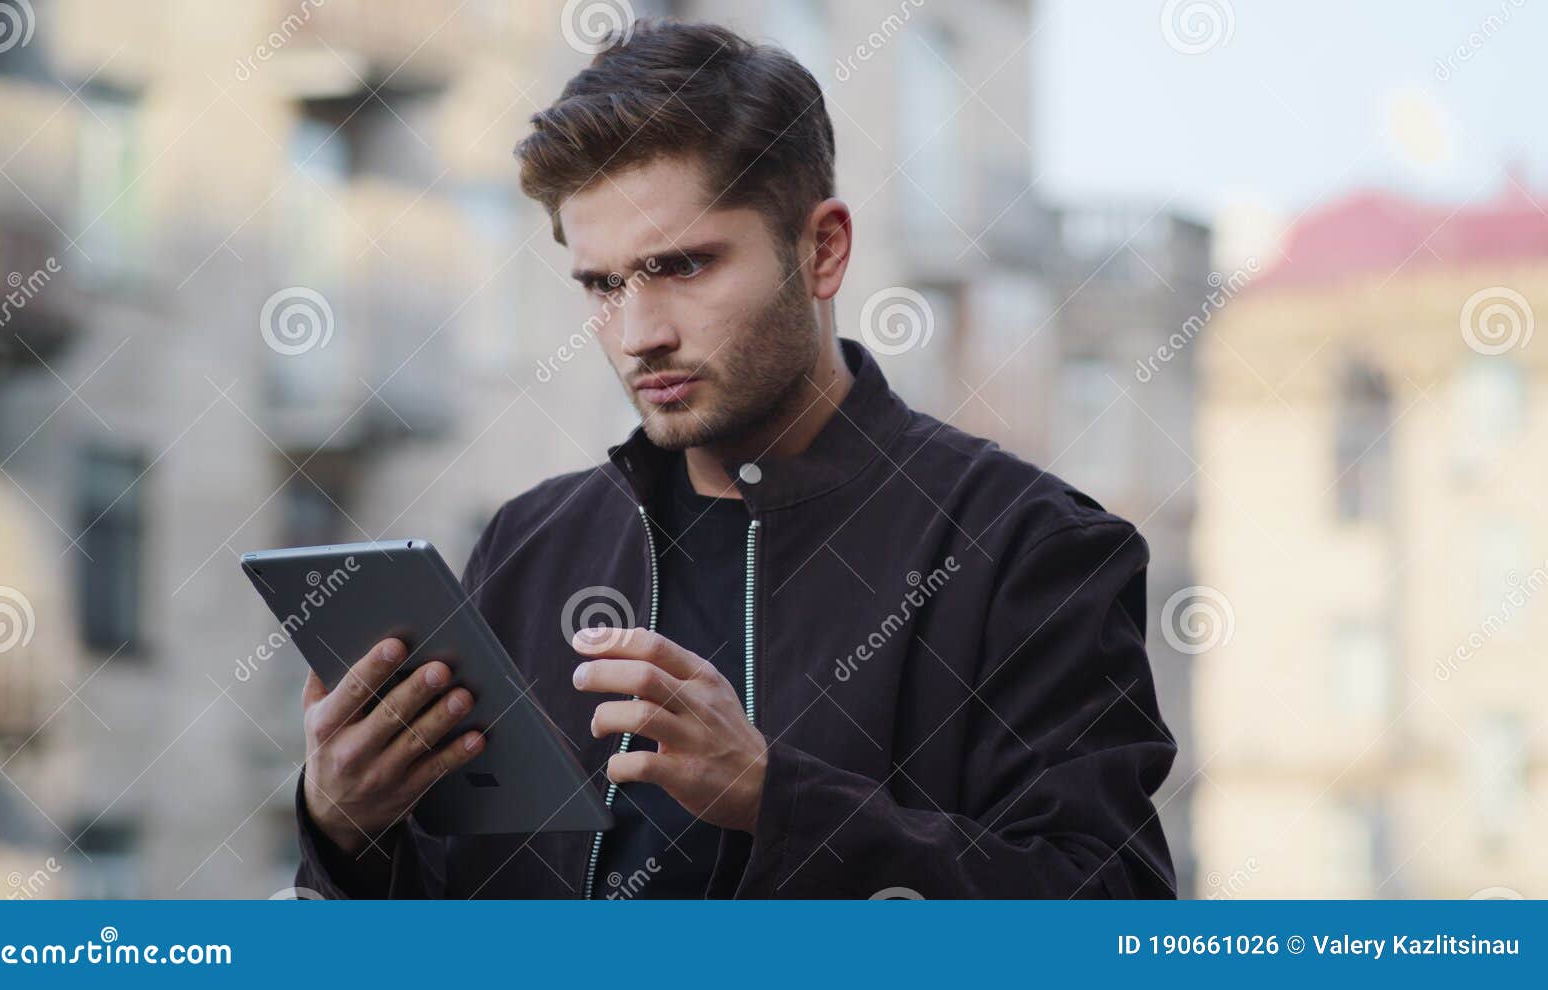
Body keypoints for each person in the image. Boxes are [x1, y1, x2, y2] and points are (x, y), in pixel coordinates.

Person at [293, 18, 1177, 899]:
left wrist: (773, 798)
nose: (640, 334)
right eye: (604, 285)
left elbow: (1109, 916)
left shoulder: (1027, 547)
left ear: (822, 250)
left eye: (683, 266)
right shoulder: (529, 544)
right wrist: (346, 831)